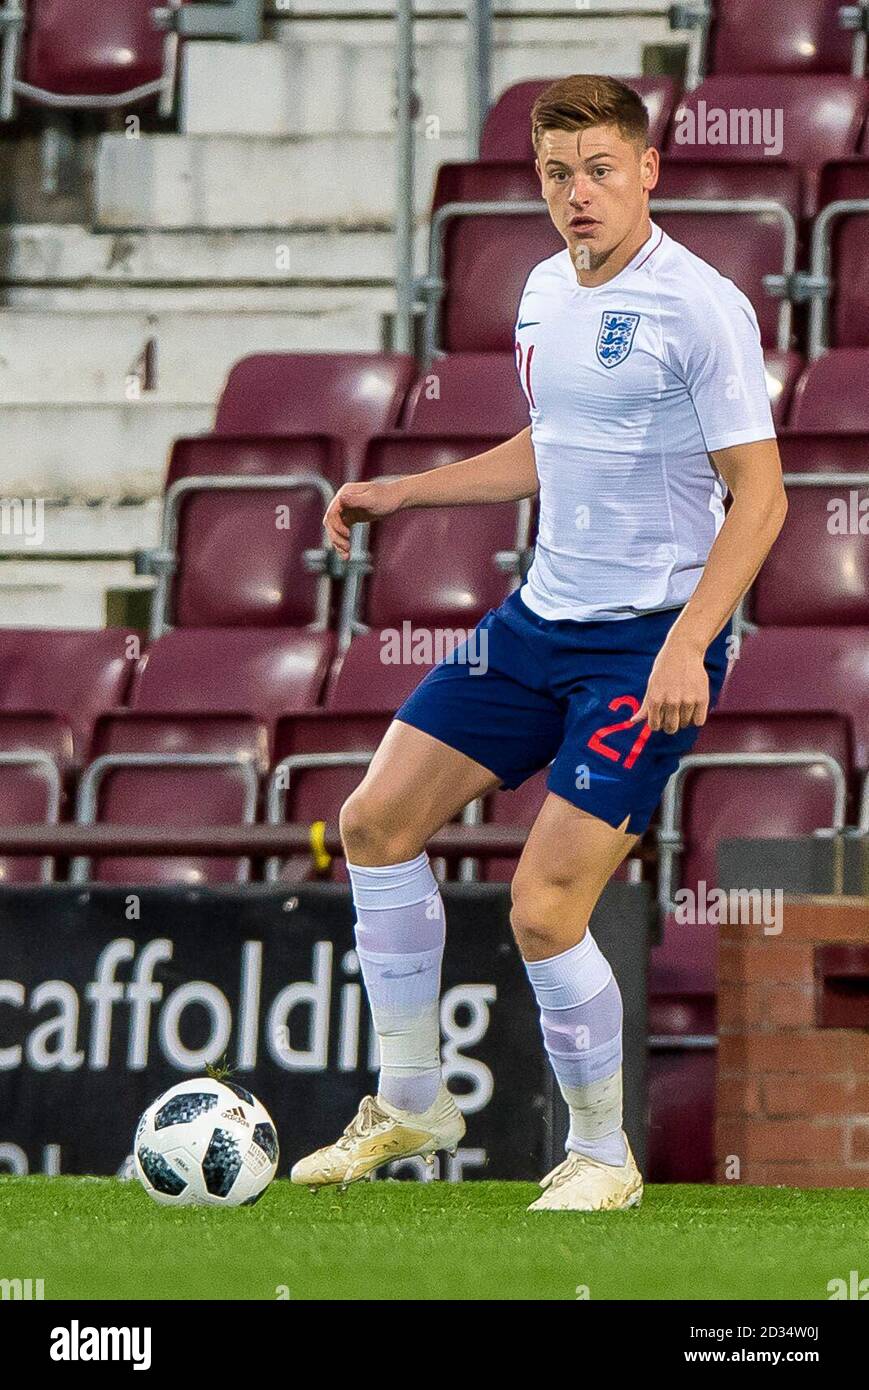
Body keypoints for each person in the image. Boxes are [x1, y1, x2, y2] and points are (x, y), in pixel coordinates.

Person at [291, 74, 787, 1210]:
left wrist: (687, 644)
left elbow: (759, 497)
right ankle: (410, 1100)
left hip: (645, 644)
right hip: (533, 623)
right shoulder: (537, 290)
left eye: (600, 169)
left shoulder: (698, 304)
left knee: (542, 907)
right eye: (557, 174)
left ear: (648, 170)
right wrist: (404, 491)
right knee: (371, 821)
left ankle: (603, 1155)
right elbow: (551, 442)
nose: (578, 194)